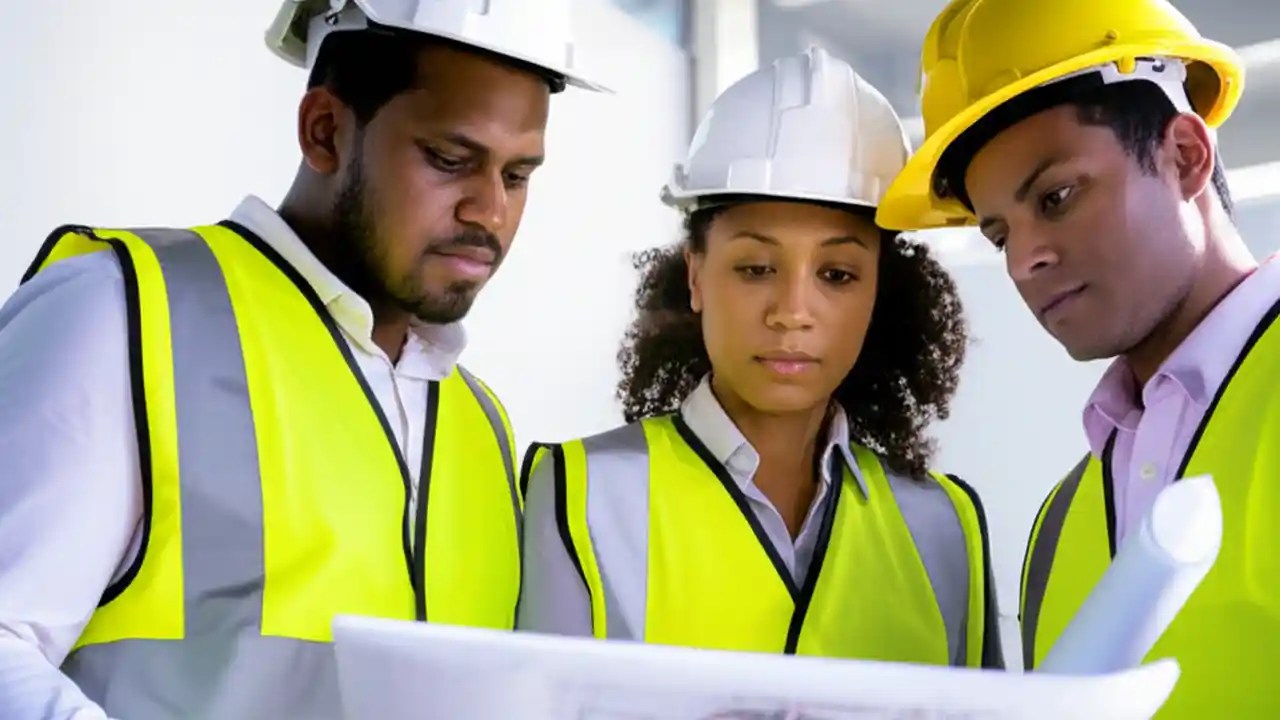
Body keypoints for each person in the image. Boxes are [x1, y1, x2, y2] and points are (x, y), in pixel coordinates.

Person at [0, 1, 605, 718]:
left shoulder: (481, 425)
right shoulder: (123, 312)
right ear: (324, 131)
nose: (490, 212)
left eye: (518, 176)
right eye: (450, 160)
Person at [516, 47, 1003, 668]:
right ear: (696, 276)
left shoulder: (944, 525)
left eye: (837, 273)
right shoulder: (579, 494)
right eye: (755, 268)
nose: (792, 311)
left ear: (881, 292)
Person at [875, 0, 1277, 715]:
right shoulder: (1058, 528)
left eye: (1056, 198)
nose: (1026, 260)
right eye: (999, 235)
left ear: (1184, 155)